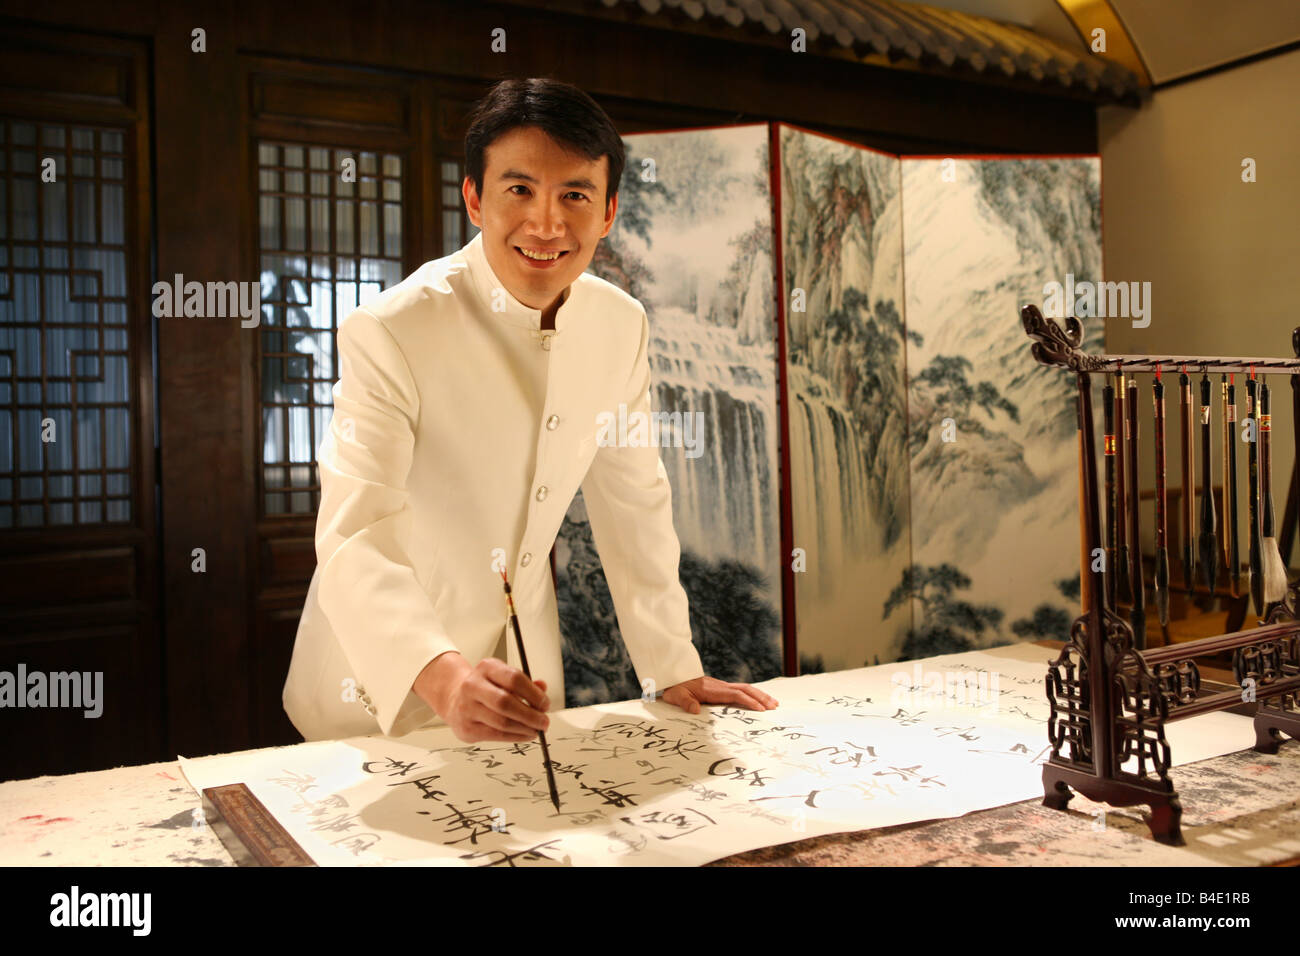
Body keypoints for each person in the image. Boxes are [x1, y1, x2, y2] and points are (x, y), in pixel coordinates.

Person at [283, 77, 778, 744]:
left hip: (524, 669)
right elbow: (354, 531)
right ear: (475, 199)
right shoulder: (393, 328)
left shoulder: (620, 324)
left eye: (574, 195)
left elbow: (633, 501)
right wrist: (445, 677)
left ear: (607, 213)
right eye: (520, 190)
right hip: (378, 683)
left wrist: (669, 666)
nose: (546, 224)